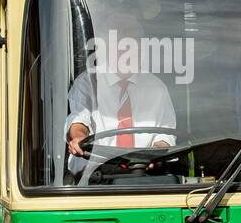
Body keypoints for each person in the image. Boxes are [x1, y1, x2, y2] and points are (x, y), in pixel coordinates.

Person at [65, 17, 176, 159]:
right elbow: (78, 120)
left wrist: (155, 152)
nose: (129, 50)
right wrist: (79, 138)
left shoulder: (156, 88)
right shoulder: (88, 83)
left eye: (136, 42)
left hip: (143, 173)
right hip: (92, 175)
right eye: (122, 42)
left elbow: (165, 136)